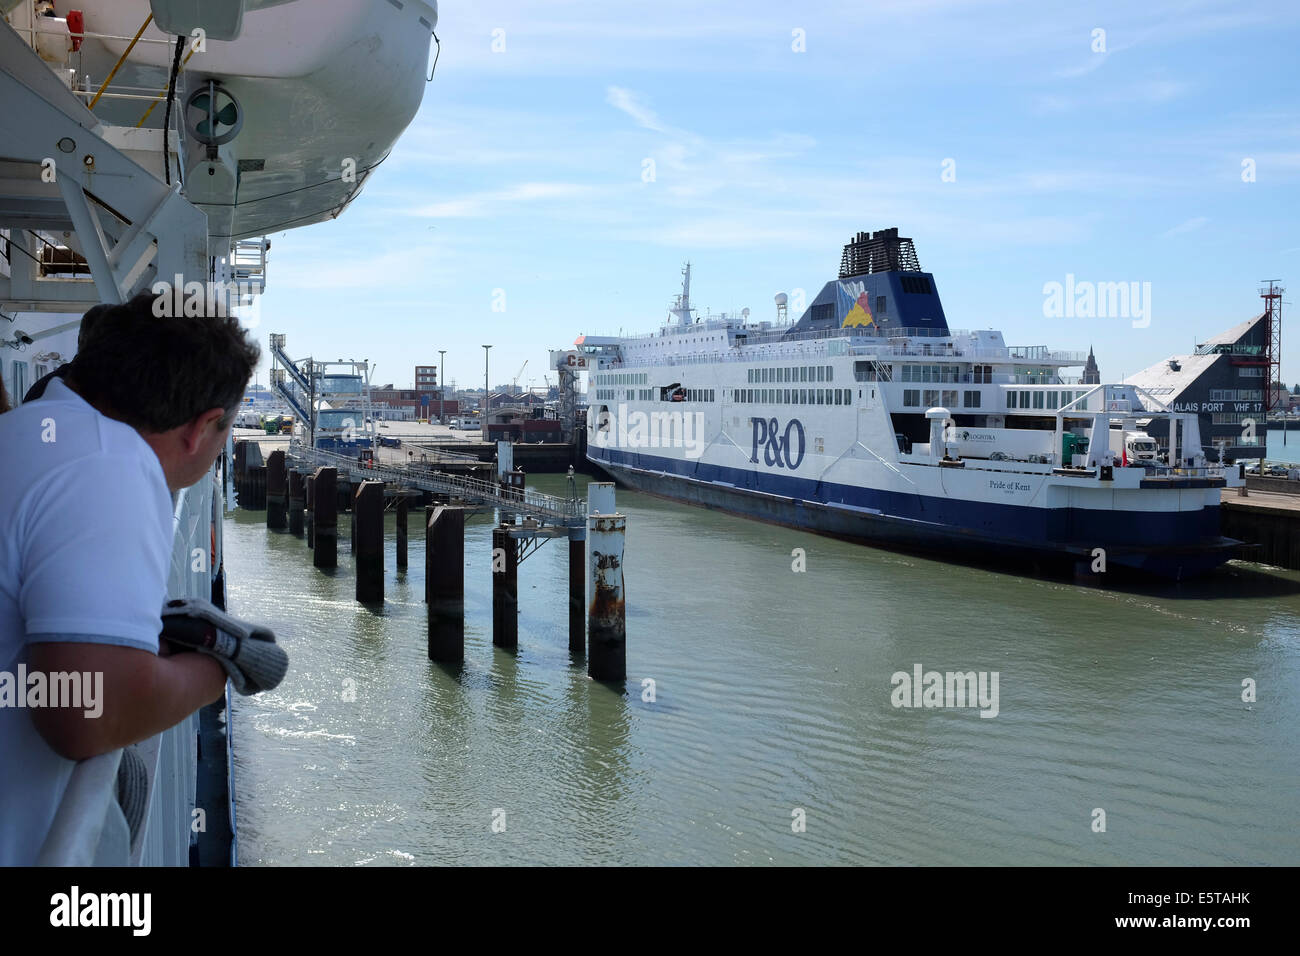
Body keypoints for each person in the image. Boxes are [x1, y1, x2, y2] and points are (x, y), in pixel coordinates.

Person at [0, 290, 260, 865]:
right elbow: (88, 712)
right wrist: (219, 669)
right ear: (204, 427)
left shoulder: (32, 428)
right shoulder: (110, 466)